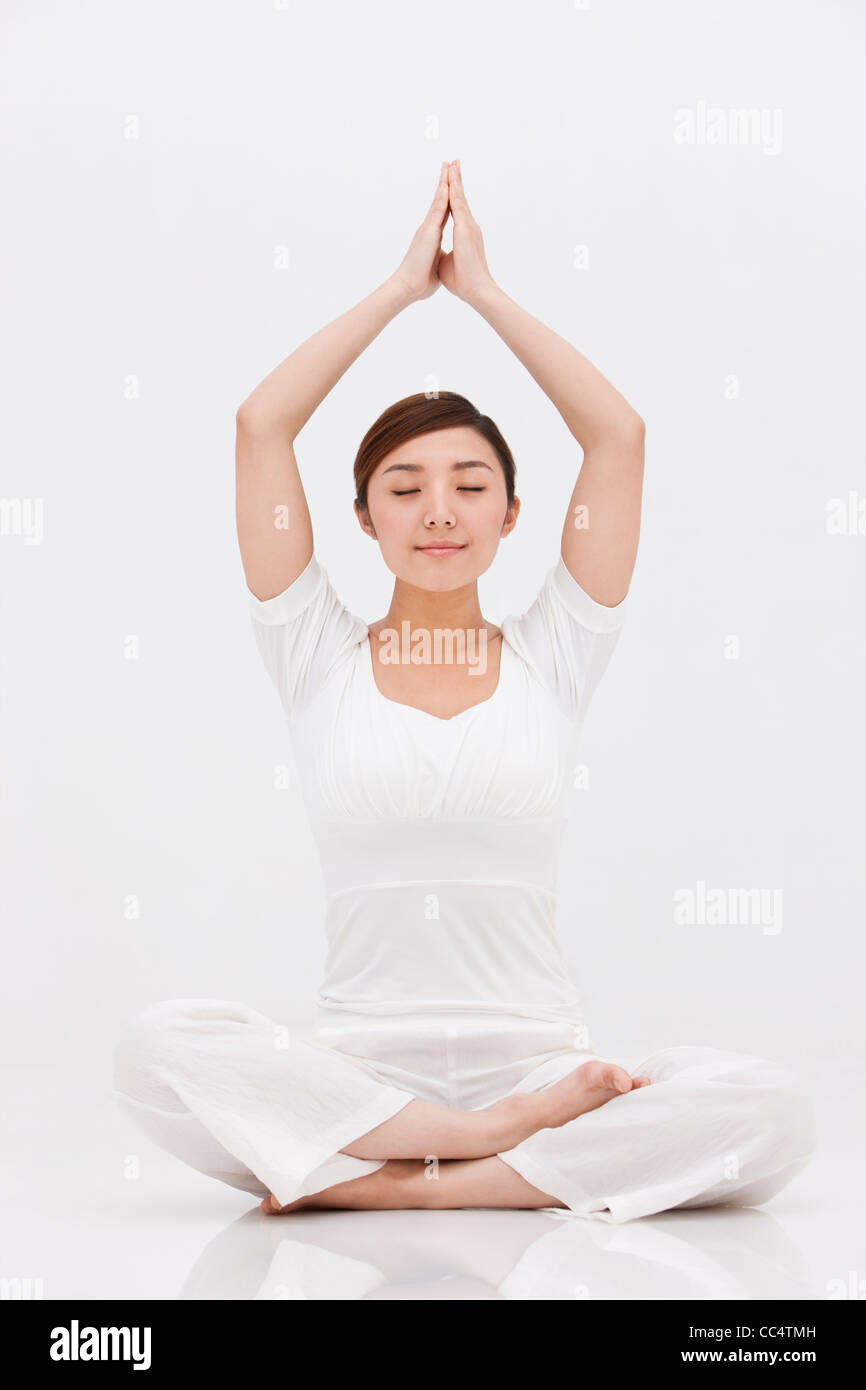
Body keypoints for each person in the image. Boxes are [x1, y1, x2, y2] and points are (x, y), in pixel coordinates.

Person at [112, 161, 816, 1222]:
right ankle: (471, 1156)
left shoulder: (555, 651)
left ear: (511, 514)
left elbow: (616, 436)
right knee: (150, 1050)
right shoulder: (315, 654)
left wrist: (481, 292)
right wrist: (402, 289)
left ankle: (404, 1188)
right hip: (359, 1087)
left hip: (541, 1075)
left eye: (469, 485)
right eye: (403, 487)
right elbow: (263, 424)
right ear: (362, 519)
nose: (437, 510)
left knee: (772, 1108)